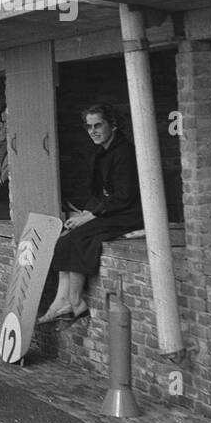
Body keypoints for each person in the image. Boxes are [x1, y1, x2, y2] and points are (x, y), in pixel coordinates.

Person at [37, 104, 143, 323]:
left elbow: (125, 195)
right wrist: (85, 212)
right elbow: (97, 193)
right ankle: (61, 300)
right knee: (65, 239)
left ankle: (75, 301)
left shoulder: (125, 153)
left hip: (129, 213)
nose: (93, 131)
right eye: (88, 126)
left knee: (79, 237)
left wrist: (92, 216)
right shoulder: (101, 152)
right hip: (110, 211)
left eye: (98, 125)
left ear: (112, 125)